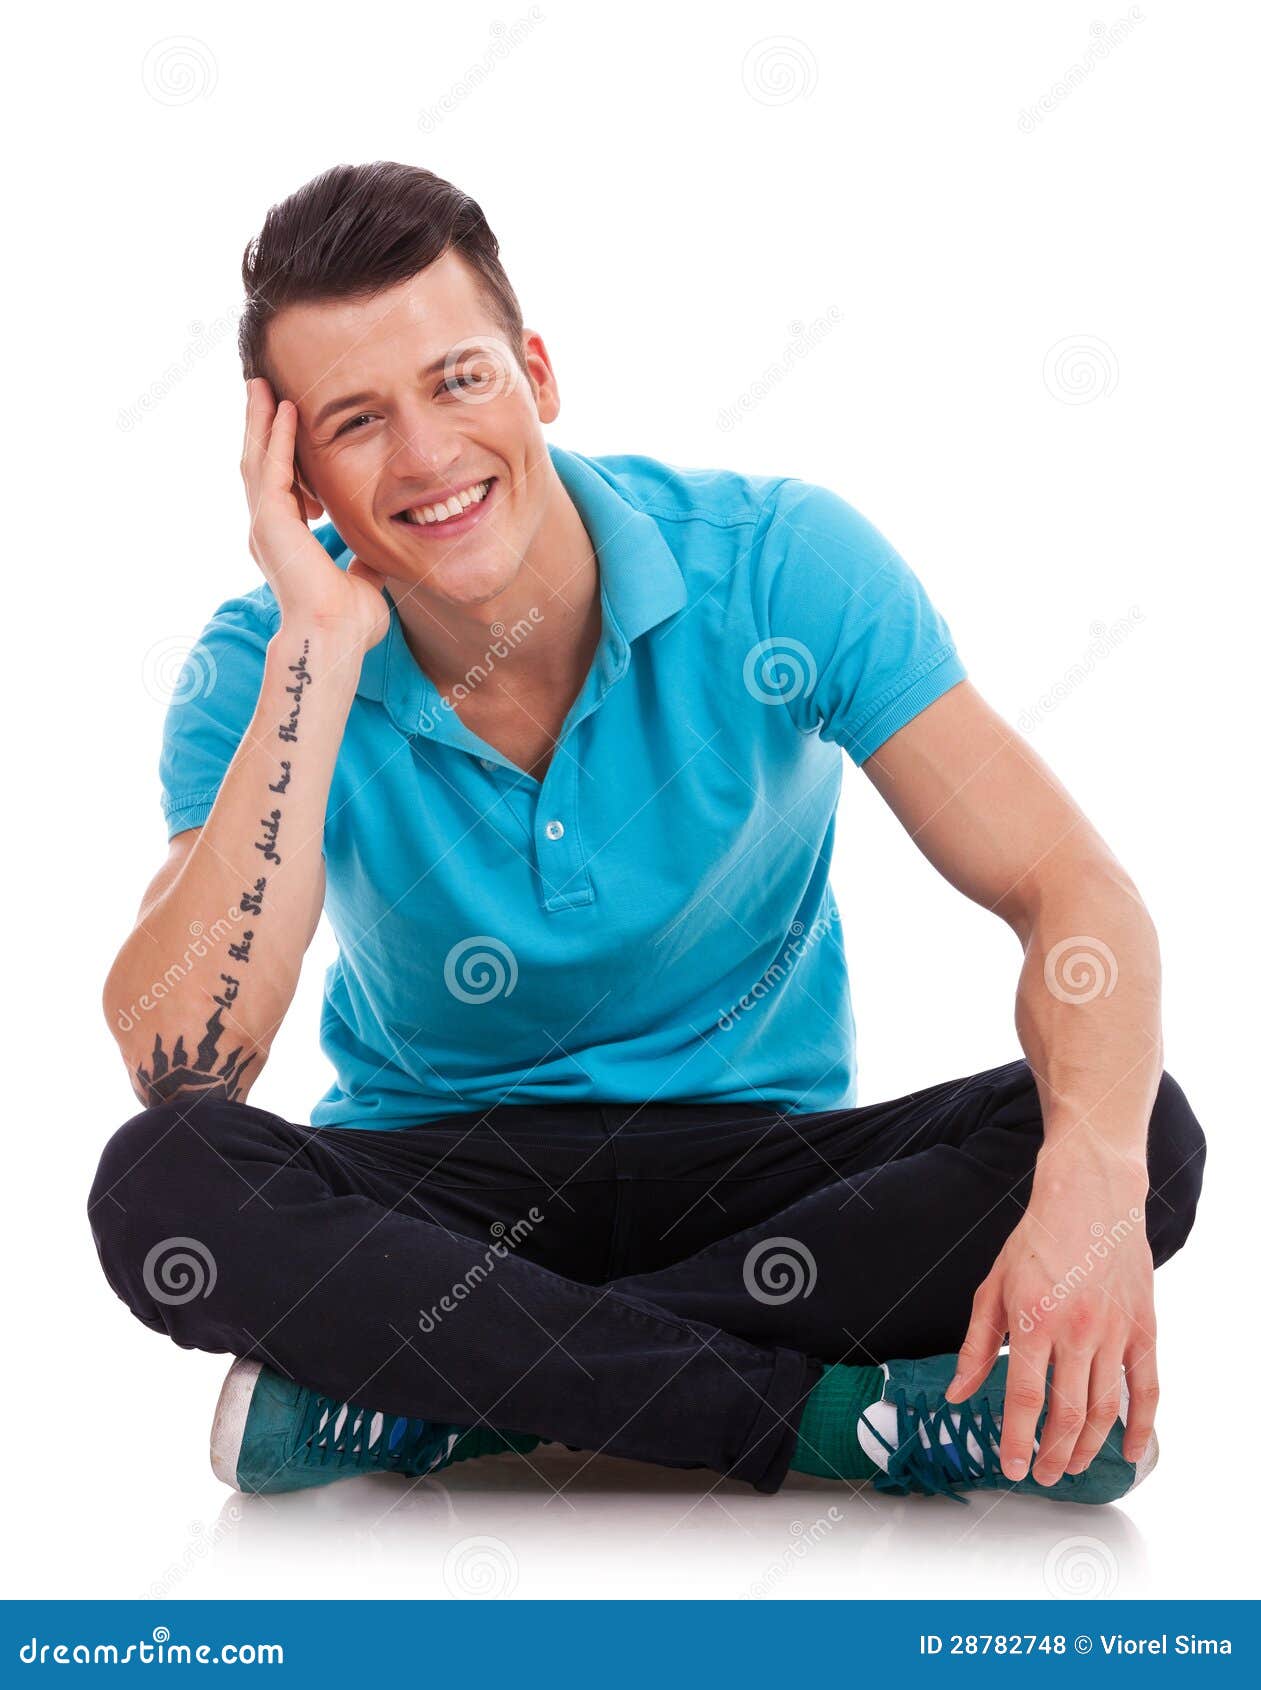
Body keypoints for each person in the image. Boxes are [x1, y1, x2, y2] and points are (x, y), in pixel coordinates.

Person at [88, 161, 1205, 1506]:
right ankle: (833, 1420)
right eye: (358, 420)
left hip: (756, 1179)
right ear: (298, 474)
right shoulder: (261, 672)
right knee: (163, 1183)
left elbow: (1070, 886)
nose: (431, 455)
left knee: (1138, 1128)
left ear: (537, 373)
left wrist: (1086, 1174)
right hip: (441, 1190)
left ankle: (443, 1395)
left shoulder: (781, 561)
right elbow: (180, 1058)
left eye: (458, 380)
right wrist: (318, 652)